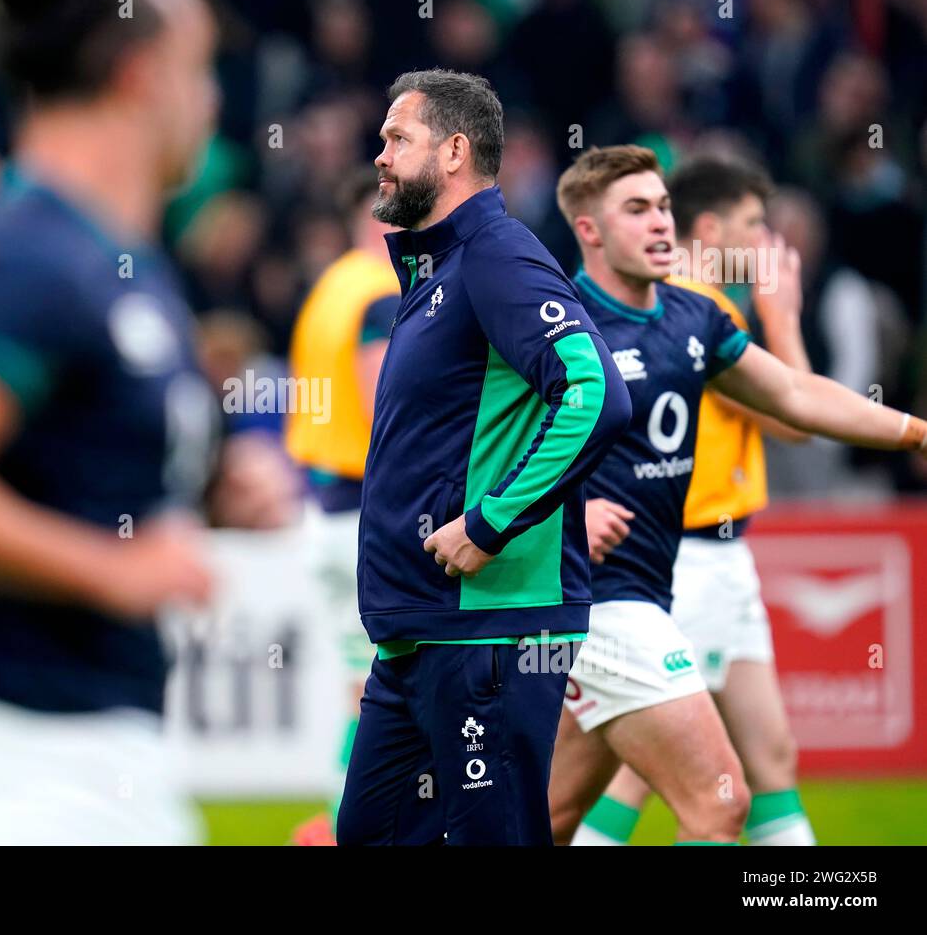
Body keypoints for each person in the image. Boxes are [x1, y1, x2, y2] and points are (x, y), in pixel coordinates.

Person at [0, 0, 290, 845]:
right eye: (199, 69)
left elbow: (74, 460)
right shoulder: (30, 251)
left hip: (96, 755)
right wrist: (112, 567)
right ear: (140, 75)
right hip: (15, 764)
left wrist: (214, 488)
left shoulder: (121, 260)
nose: (212, 100)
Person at [546, 145, 927, 844]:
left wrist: (913, 432)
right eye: (637, 209)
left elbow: (794, 396)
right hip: (601, 594)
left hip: (659, 578)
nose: (660, 222)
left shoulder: (696, 316)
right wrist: (564, 516)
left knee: (554, 812)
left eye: (663, 206)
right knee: (718, 799)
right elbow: (472, 448)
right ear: (589, 230)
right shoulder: (553, 326)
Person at [336, 69, 632, 847]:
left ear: (454, 151)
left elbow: (596, 393)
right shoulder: (435, 270)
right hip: (421, 629)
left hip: (491, 632)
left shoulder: (496, 254)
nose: (380, 155)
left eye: (397, 138)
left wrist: (489, 521)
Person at [574, 155, 818, 846]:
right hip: (687, 557)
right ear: (709, 228)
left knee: (768, 760)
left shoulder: (689, 302)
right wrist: (782, 316)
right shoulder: (689, 309)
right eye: (753, 223)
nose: (766, 241)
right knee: (655, 779)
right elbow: (795, 419)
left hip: (720, 557)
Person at [284, 169, 399, 844]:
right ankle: (338, 826)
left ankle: (335, 821)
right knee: (387, 685)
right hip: (366, 515)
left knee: (364, 681)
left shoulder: (332, 286)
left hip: (325, 508)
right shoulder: (382, 293)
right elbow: (385, 408)